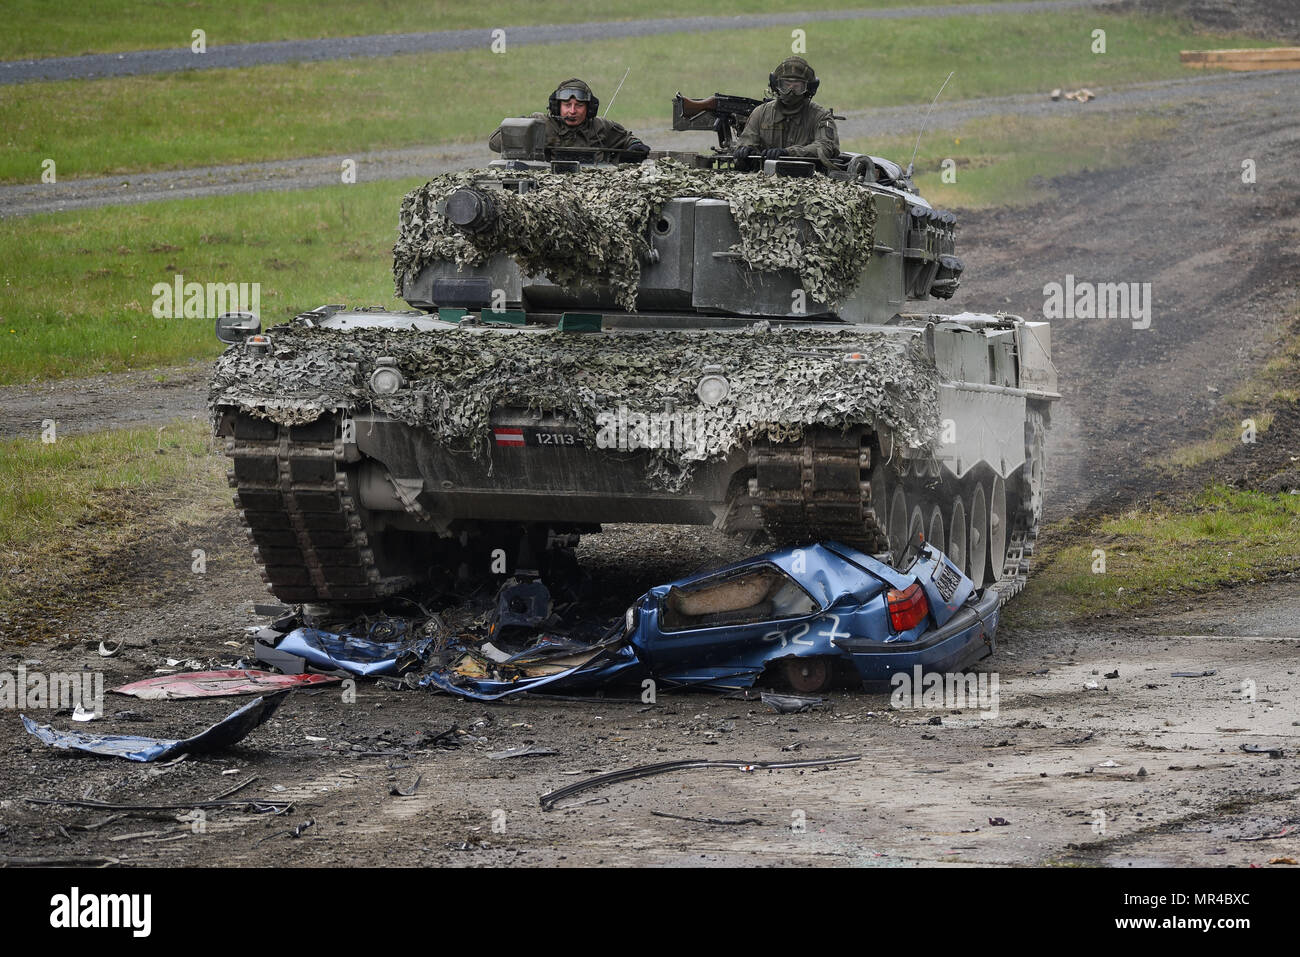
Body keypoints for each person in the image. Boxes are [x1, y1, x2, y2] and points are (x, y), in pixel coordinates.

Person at [488, 78, 651, 161]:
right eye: (567, 105)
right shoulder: (540, 124)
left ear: (589, 109)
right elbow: (494, 143)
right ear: (557, 106)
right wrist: (519, 128)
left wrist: (635, 148)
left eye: (579, 105)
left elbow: (630, 140)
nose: (572, 111)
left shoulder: (601, 126)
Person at [733, 56, 839, 169]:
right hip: (764, 179)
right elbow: (746, 142)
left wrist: (788, 153)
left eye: (797, 86)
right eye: (786, 85)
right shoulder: (761, 113)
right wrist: (745, 152)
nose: (790, 91)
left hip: (809, 178)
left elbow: (825, 147)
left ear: (808, 88)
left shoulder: (821, 117)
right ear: (776, 86)